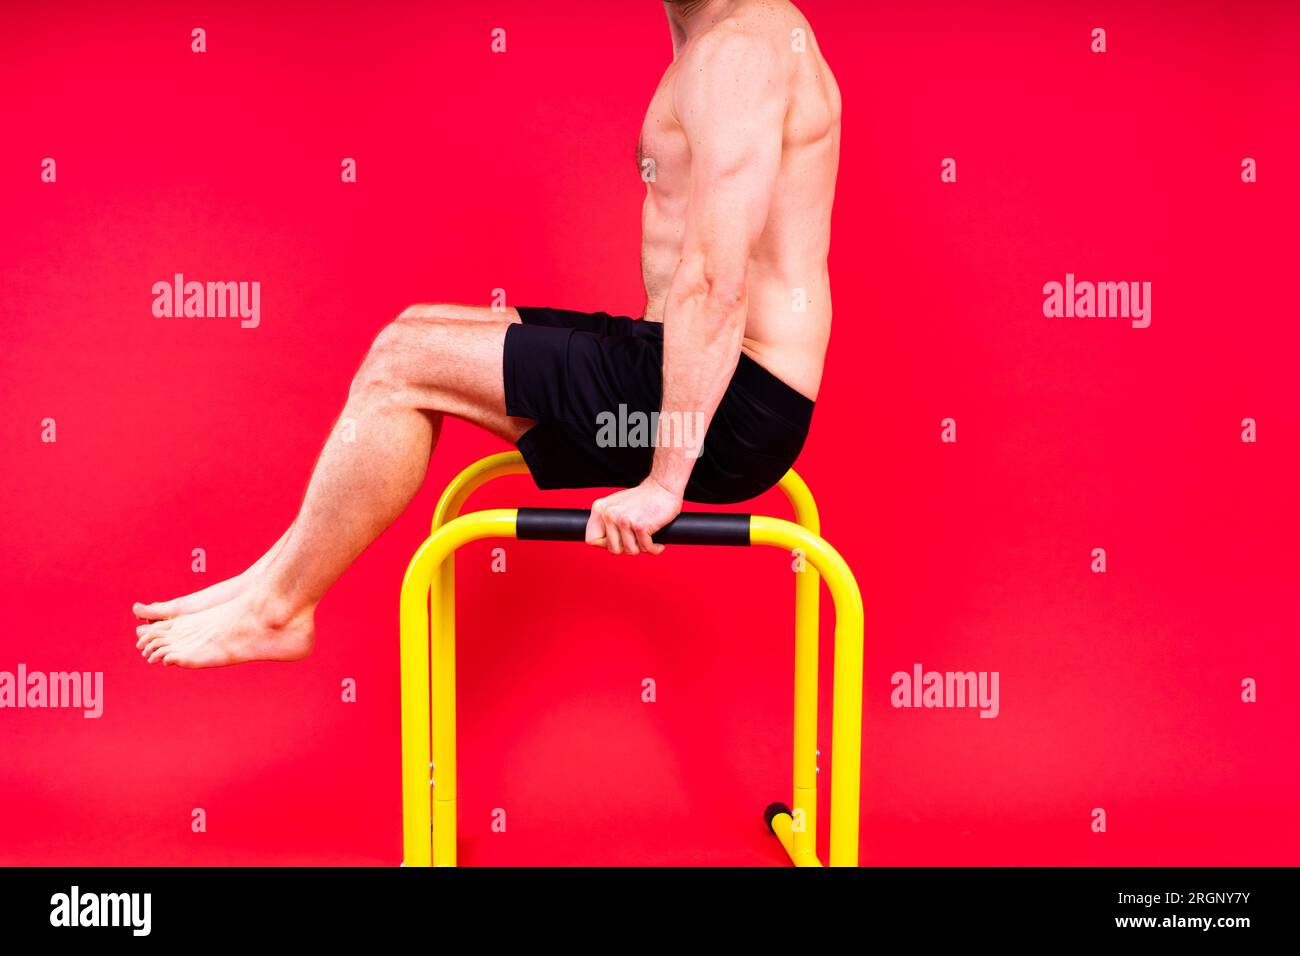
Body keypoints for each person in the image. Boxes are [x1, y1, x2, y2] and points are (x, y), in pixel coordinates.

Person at [134, 0, 841, 668]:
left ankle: (280, 609)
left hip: (730, 407)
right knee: (412, 335)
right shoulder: (726, 36)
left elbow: (715, 278)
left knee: (401, 364)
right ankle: (274, 578)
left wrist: (664, 480)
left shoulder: (739, 54)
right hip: (691, 375)